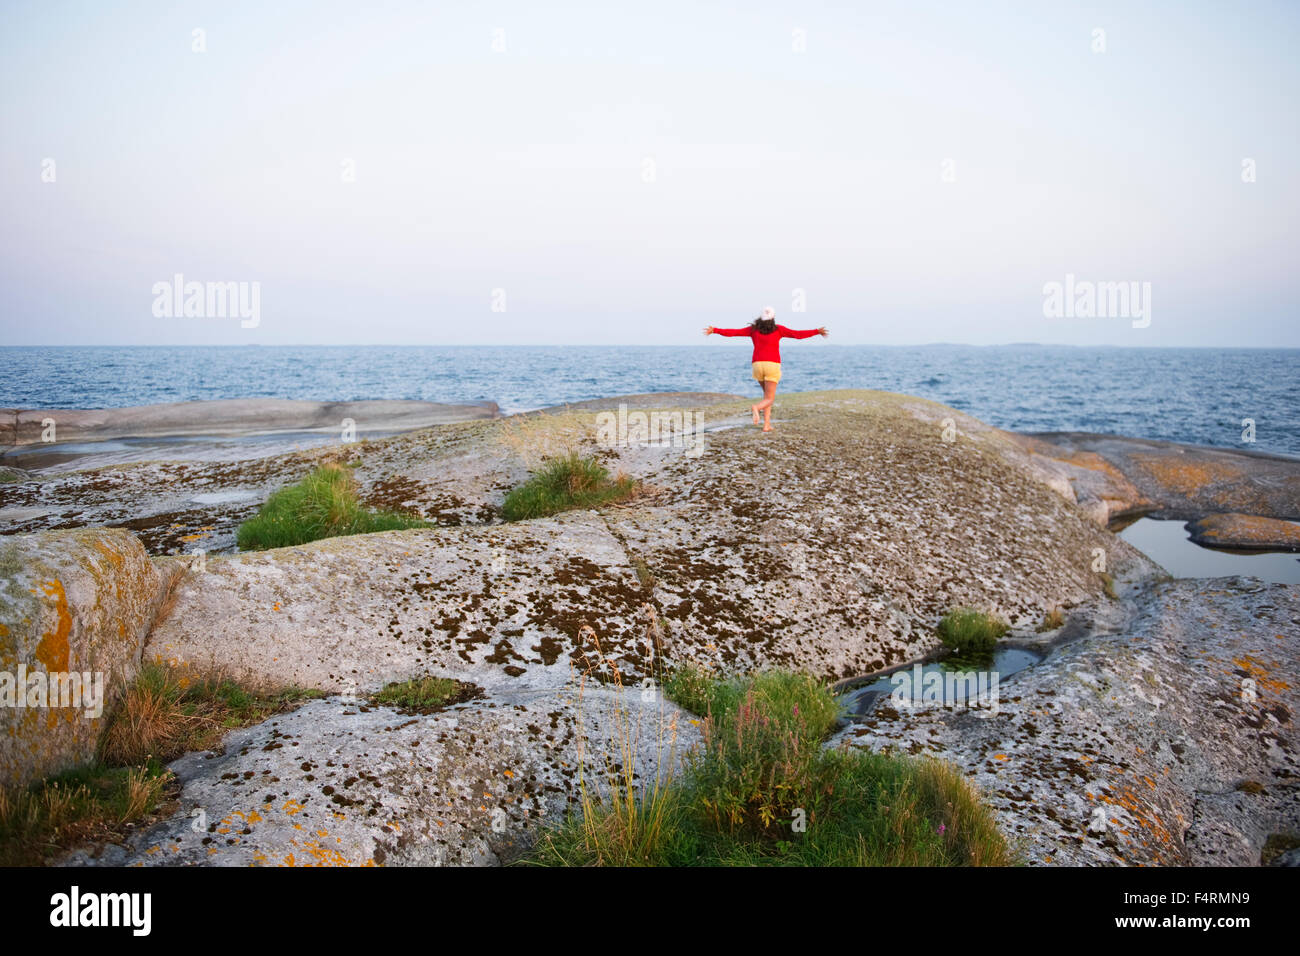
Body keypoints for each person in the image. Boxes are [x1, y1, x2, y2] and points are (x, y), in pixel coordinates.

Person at [704, 307, 828, 431]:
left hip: (757, 365)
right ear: (773, 318)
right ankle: (756, 408)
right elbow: (798, 335)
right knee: (770, 398)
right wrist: (816, 331)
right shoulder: (779, 329)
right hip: (772, 365)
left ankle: (766, 425)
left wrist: (715, 330)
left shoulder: (753, 330)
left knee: (766, 397)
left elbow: (734, 332)